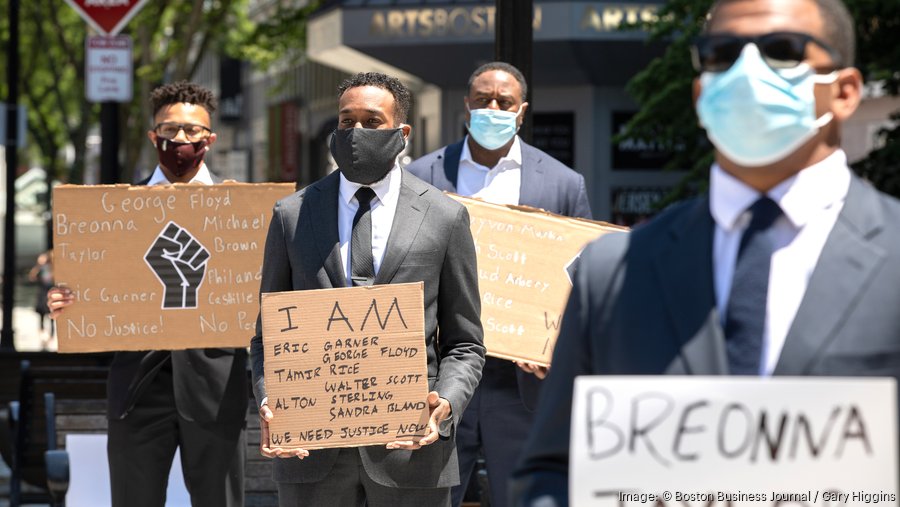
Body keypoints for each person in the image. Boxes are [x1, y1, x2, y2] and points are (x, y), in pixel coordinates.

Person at [511, 0, 899, 505]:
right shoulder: (613, 272)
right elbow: (552, 470)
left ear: (845, 91)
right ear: (700, 94)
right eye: (722, 53)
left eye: (782, 50)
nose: (748, 71)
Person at [249, 71, 485, 507]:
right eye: (346, 121)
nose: (356, 132)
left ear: (402, 134)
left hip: (411, 451)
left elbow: (465, 342)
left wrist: (447, 402)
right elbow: (267, 338)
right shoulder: (292, 215)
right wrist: (269, 397)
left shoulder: (444, 217)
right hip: (311, 452)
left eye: (372, 122)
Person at [48, 81, 247, 507]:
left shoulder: (242, 211)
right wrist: (67, 302)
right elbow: (94, 291)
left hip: (216, 388)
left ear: (210, 139)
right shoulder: (115, 211)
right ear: (153, 136)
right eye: (170, 129)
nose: (181, 139)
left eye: (192, 131)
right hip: (136, 388)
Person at [406, 61, 592, 507]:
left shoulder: (565, 184)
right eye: (483, 100)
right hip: (441, 377)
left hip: (523, 384)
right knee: (431, 498)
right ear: (466, 106)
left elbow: (582, 279)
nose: (493, 108)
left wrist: (554, 346)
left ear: (521, 111)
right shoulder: (420, 177)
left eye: (504, 102)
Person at [29, 249, 55, 348]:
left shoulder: (53, 268)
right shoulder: (41, 268)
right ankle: (42, 332)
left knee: (51, 314)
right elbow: (32, 277)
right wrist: (38, 265)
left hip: (50, 292)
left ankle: (51, 335)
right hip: (42, 293)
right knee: (41, 314)